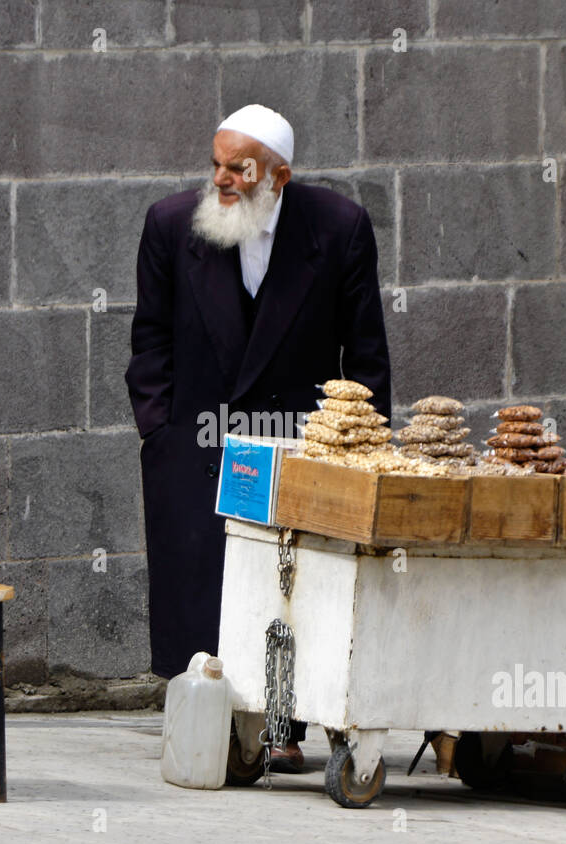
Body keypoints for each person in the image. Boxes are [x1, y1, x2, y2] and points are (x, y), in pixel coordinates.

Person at [126, 104, 392, 772]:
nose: (221, 178)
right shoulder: (168, 225)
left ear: (277, 174)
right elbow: (150, 340)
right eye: (215, 163)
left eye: (237, 167)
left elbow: (366, 357)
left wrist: (361, 450)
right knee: (202, 588)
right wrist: (159, 432)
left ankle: (282, 727)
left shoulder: (337, 228)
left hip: (295, 446)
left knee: (291, 591)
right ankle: (214, 722)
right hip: (197, 445)